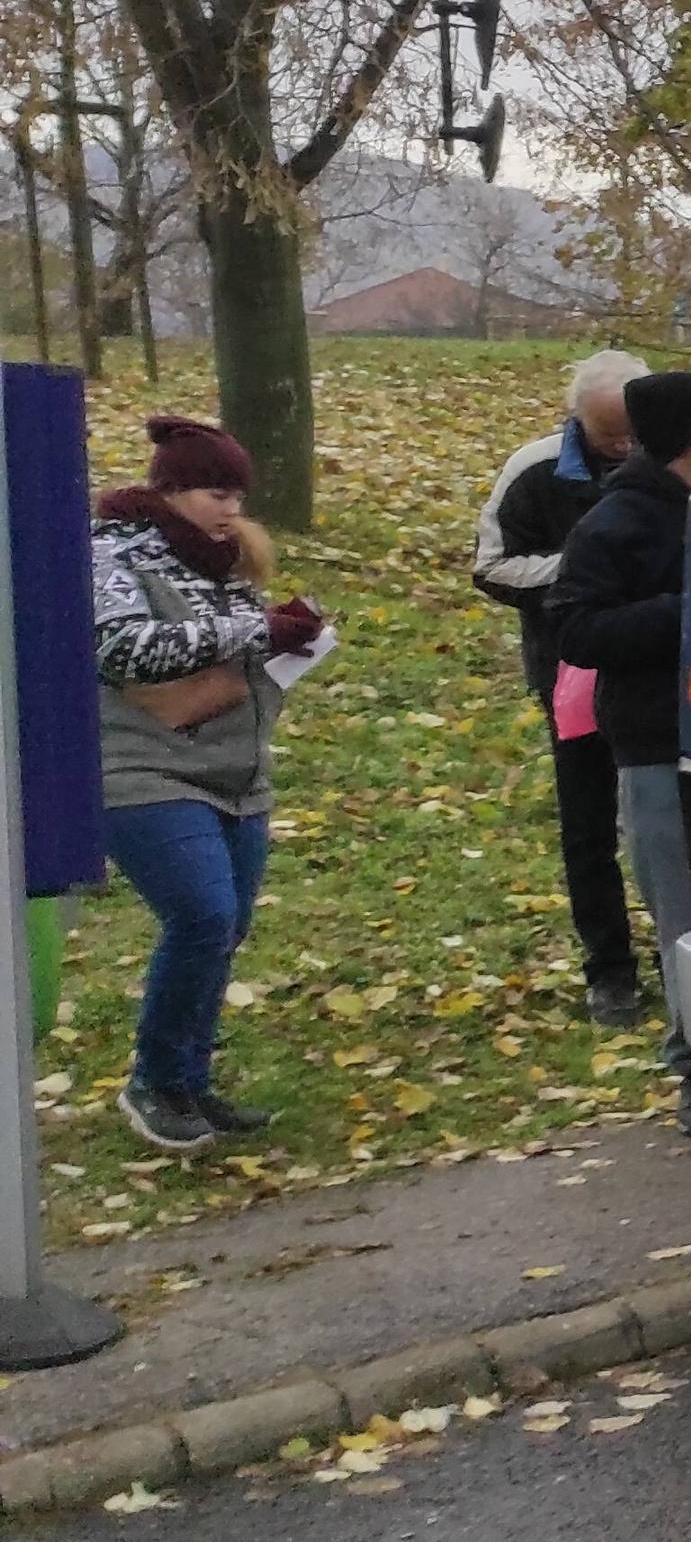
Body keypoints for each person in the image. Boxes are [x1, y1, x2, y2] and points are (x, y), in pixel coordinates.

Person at [91, 418, 322, 1151]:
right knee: (200, 913)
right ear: (171, 489)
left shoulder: (221, 559)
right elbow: (128, 647)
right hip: (141, 766)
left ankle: (191, 1078)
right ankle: (151, 1082)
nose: (230, 508)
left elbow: (236, 646)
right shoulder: (113, 553)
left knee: (224, 929)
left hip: (235, 771)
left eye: (237, 494)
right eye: (216, 492)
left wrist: (293, 634)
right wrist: (258, 630)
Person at [548, 371, 691, 1139]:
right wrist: (680, 610)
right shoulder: (616, 522)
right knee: (682, 913)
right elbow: (578, 630)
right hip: (657, 743)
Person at [474, 351, 649, 1027]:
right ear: (579, 416)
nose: (624, 446)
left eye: (633, 430)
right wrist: (577, 572)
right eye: (610, 434)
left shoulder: (678, 462)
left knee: (673, 821)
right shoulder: (534, 468)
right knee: (588, 828)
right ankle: (609, 971)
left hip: (660, 673)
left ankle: (681, 952)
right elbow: (490, 566)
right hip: (573, 677)